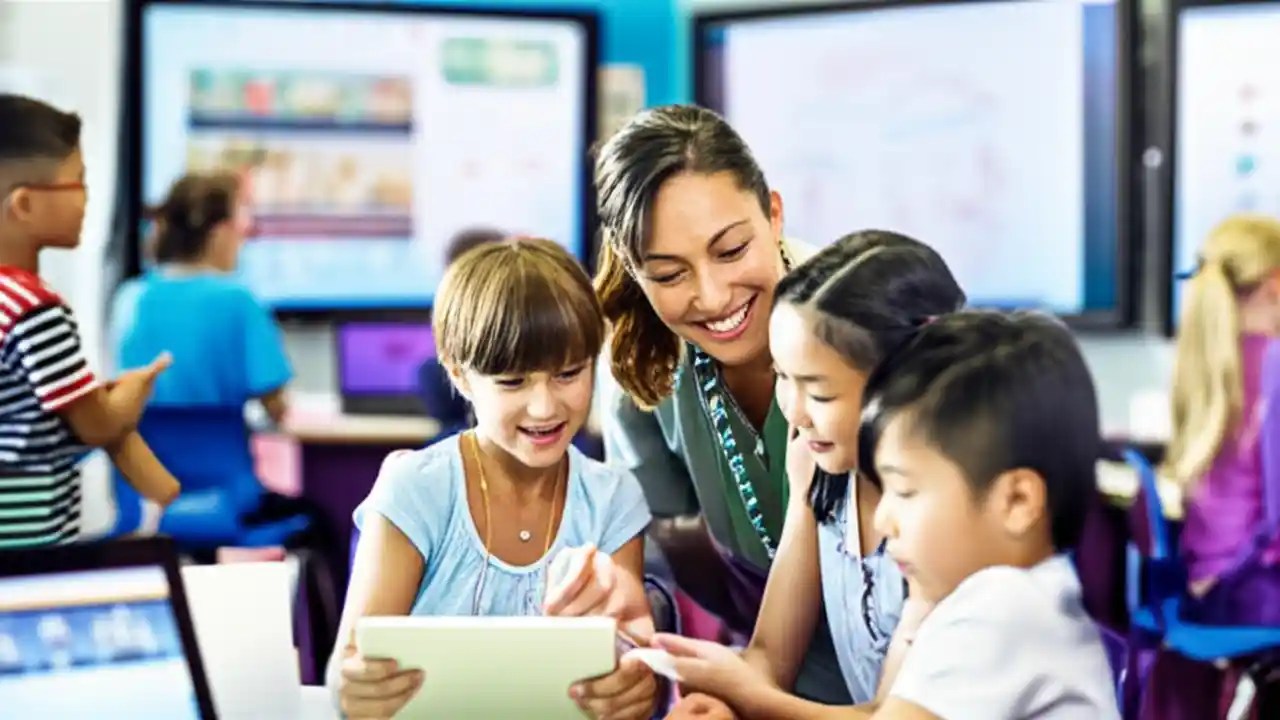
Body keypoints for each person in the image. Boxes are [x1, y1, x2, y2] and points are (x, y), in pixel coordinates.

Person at [594, 105, 950, 702]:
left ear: (774, 214)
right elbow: (659, 566)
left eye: (731, 250)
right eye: (669, 273)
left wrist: (753, 691)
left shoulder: (867, 326)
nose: (712, 296)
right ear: (634, 270)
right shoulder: (643, 362)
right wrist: (636, 630)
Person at [658, 311, 1120, 719]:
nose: (883, 521)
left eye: (905, 490)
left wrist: (748, 697)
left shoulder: (1005, 606)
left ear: (1017, 502)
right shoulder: (976, 600)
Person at [330, 238, 660, 720]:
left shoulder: (612, 500)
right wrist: (352, 687)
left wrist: (632, 686)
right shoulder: (417, 488)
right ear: (460, 375)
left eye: (569, 374)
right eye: (512, 382)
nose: (545, 407)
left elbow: (627, 649)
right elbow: (347, 666)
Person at [0, 93, 178, 549]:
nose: (86, 199)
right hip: (27, 520)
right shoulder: (33, 308)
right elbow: (96, 426)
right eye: (77, 182)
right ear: (23, 205)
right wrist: (131, 394)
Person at [1164, 214, 1280, 626]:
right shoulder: (1274, 362)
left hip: (1208, 589)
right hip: (1255, 592)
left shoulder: (1204, 359)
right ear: (1275, 284)